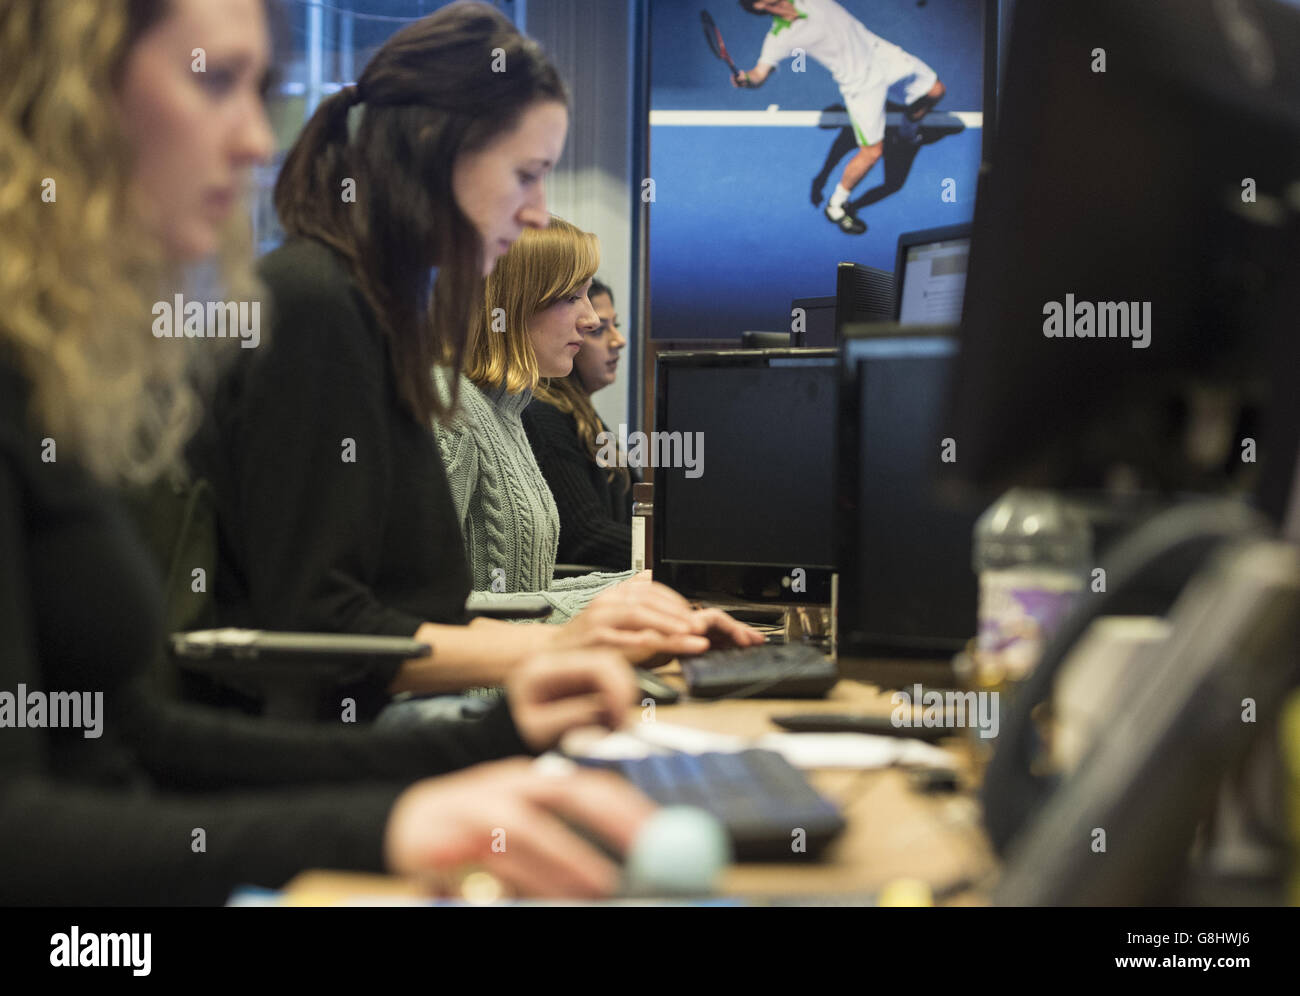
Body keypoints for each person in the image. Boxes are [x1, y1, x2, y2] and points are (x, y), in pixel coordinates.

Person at [0, 0, 666, 904]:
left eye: (261, 88)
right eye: (213, 80)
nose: (250, 138)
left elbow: (134, 737)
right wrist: (390, 821)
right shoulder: (312, 304)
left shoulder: (64, 368)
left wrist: (489, 738)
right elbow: (318, 620)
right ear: (70, 95)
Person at [189, 2, 762, 704]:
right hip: (330, 765)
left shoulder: (376, 317)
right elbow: (320, 630)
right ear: (437, 149)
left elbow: (419, 608)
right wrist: (561, 645)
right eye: (527, 173)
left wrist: (610, 620)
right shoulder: (316, 302)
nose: (537, 211)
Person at [435, 220, 638, 619]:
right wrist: (609, 604)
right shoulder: (451, 409)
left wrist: (635, 588)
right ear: (514, 303)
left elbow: (527, 591)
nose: (591, 318)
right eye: (571, 297)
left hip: (521, 669)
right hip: (484, 679)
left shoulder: (508, 411)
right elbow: (427, 608)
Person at [733, 0, 946, 235]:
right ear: (760, 5)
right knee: (872, 152)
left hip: (882, 55)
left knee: (935, 91)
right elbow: (760, 73)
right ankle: (836, 204)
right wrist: (747, 80)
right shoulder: (780, 37)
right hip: (860, 85)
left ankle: (906, 132)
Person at [524, 277, 637, 571]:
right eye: (599, 330)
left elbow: (638, 504)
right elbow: (585, 536)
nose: (619, 341)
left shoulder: (587, 420)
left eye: (616, 326)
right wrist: (672, 557)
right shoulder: (542, 415)